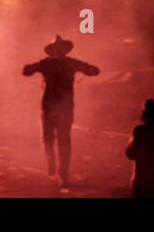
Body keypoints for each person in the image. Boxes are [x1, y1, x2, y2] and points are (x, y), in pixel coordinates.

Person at [22, 34, 100, 185]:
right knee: (62, 140)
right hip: (63, 106)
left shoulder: (46, 63)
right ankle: (61, 172)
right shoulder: (71, 63)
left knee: (49, 139)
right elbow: (94, 71)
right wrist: (89, 69)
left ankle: (54, 167)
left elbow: (25, 71)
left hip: (50, 105)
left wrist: (31, 68)